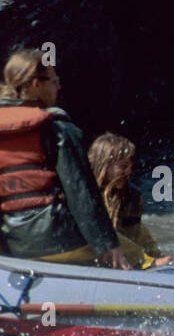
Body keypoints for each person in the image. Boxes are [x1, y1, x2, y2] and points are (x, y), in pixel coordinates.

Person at [0, 49, 130, 268]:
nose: (59, 87)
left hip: (11, 246)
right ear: (35, 85)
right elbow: (82, 193)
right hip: (59, 239)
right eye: (54, 80)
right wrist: (108, 244)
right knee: (136, 252)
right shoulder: (57, 128)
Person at [87, 133, 174, 268]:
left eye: (130, 166)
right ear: (103, 165)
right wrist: (147, 262)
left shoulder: (130, 197)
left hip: (124, 256)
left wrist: (156, 256)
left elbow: (139, 233)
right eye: (122, 167)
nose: (128, 172)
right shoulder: (86, 197)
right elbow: (99, 232)